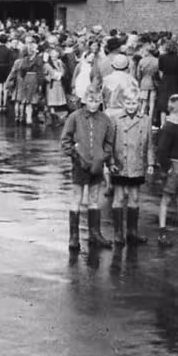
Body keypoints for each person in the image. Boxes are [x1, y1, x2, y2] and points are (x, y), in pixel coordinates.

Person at [60, 86, 116, 253]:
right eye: (90, 100)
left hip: (97, 165)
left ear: (101, 101)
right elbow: (65, 141)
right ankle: (74, 236)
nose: (93, 104)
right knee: (77, 197)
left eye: (97, 101)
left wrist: (103, 156)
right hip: (80, 164)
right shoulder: (74, 117)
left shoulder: (105, 119)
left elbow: (109, 142)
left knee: (94, 198)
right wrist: (76, 156)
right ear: (84, 100)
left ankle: (95, 233)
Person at [106, 86, 153, 248]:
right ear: (123, 102)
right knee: (118, 197)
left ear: (139, 103)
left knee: (134, 197)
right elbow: (110, 144)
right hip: (120, 164)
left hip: (137, 164)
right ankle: (118, 232)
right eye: (128, 103)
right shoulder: (115, 119)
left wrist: (151, 163)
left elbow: (149, 144)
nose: (131, 106)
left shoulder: (146, 119)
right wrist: (110, 162)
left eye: (134, 103)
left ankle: (132, 232)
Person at [154, 94, 178, 248]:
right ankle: (162, 231)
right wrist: (168, 167)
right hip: (174, 164)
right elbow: (162, 150)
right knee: (167, 198)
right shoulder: (169, 127)